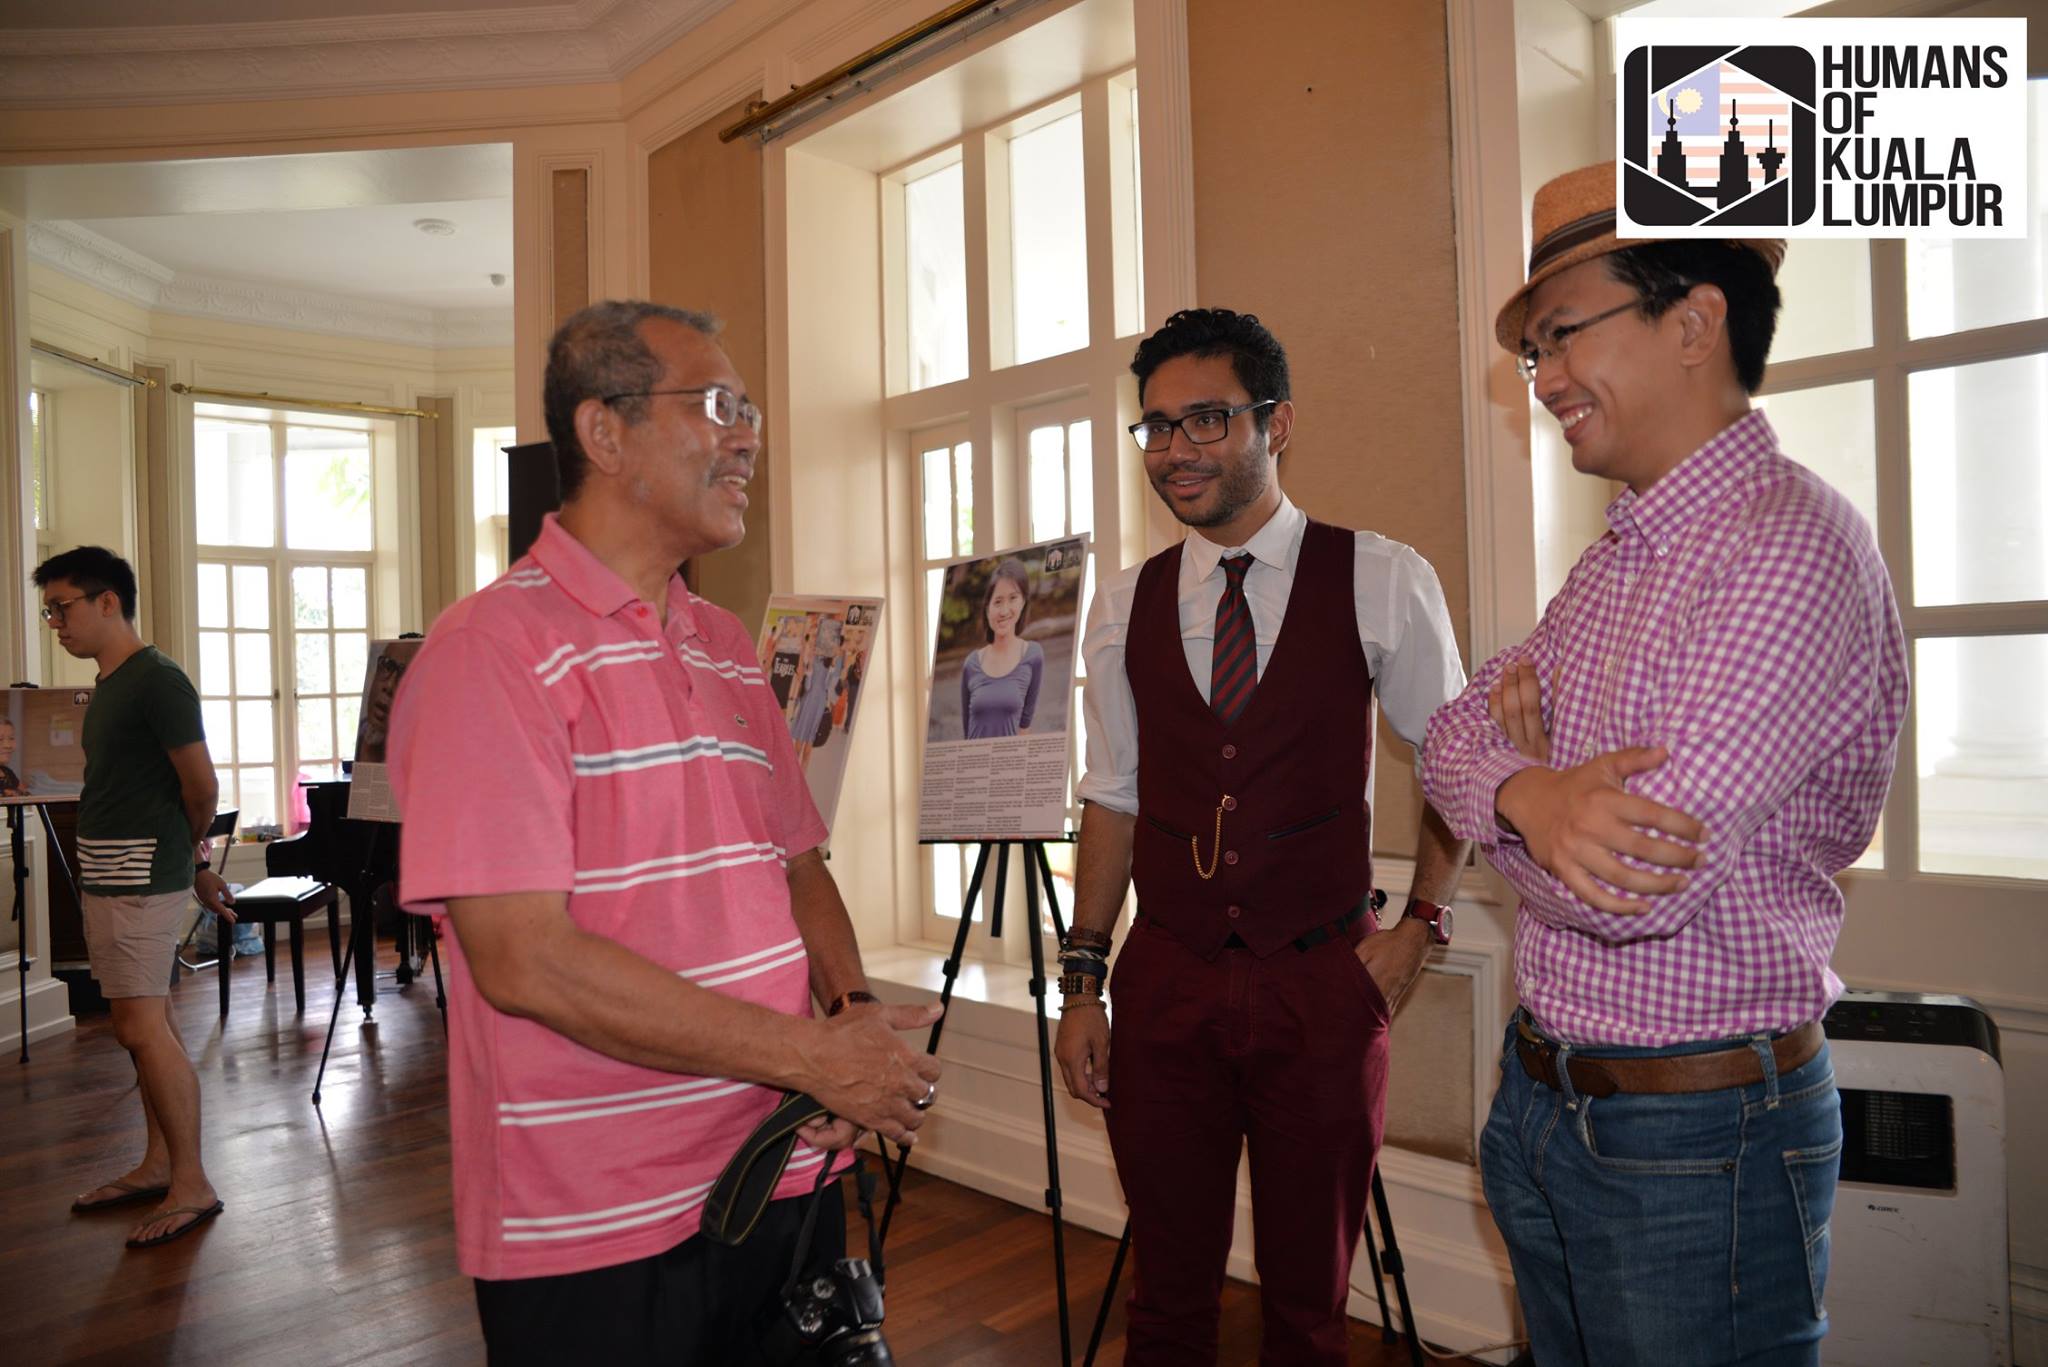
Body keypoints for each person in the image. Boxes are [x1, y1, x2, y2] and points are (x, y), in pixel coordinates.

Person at [387, 300, 942, 1366]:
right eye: (718, 406)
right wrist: (813, 1058)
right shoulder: (488, 653)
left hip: (782, 1164)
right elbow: (523, 960)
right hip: (598, 1221)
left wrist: (852, 1016)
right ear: (604, 433)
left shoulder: (729, 643)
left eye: (753, 413)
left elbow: (798, 868)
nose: (747, 438)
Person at [1418, 163, 1908, 1366]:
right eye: (1531, 352)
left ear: (1694, 320)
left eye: (1560, 337)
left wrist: (1509, 807)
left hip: (1695, 1138)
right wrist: (1531, 790)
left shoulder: (1787, 551)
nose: (1541, 383)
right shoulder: (1613, 561)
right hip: (1546, 1103)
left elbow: (1630, 887)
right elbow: (1443, 735)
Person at [1053, 308, 1471, 1365]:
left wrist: (1419, 924)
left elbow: (1457, 766)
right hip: (1166, 987)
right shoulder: (1122, 605)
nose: (1173, 450)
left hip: (1320, 984)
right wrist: (1082, 982)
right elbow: (1110, 795)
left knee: (1306, 1307)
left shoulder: (1378, 576)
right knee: (1166, 1299)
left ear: (1274, 423)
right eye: (1152, 427)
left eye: (1203, 420)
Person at [37, 545, 236, 1249]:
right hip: (114, 874)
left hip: (136, 878)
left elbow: (201, 787)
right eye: (49, 608)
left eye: (62, 605)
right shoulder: (112, 685)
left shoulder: (157, 680)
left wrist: (187, 857)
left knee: (140, 1028)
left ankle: (192, 1183)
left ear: (107, 601)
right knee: (149, 1027)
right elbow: (144, 790)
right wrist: (197, 866)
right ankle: (160, 1163)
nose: (53, 621)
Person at [958, 558, 1044, 739]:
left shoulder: (1033, 655)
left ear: (1023, 602)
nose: (1004, 611)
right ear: (987, 608)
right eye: (997, 602)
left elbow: (1024, 727)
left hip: (1010, 765)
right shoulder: (971, 663)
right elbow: (967, 735)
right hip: (976, 764)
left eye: (1013, 598)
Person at [0, 717, 28, 796]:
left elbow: (28, 798)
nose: (8, 745)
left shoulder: (8, 774)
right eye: (0, 739)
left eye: (11, 738)